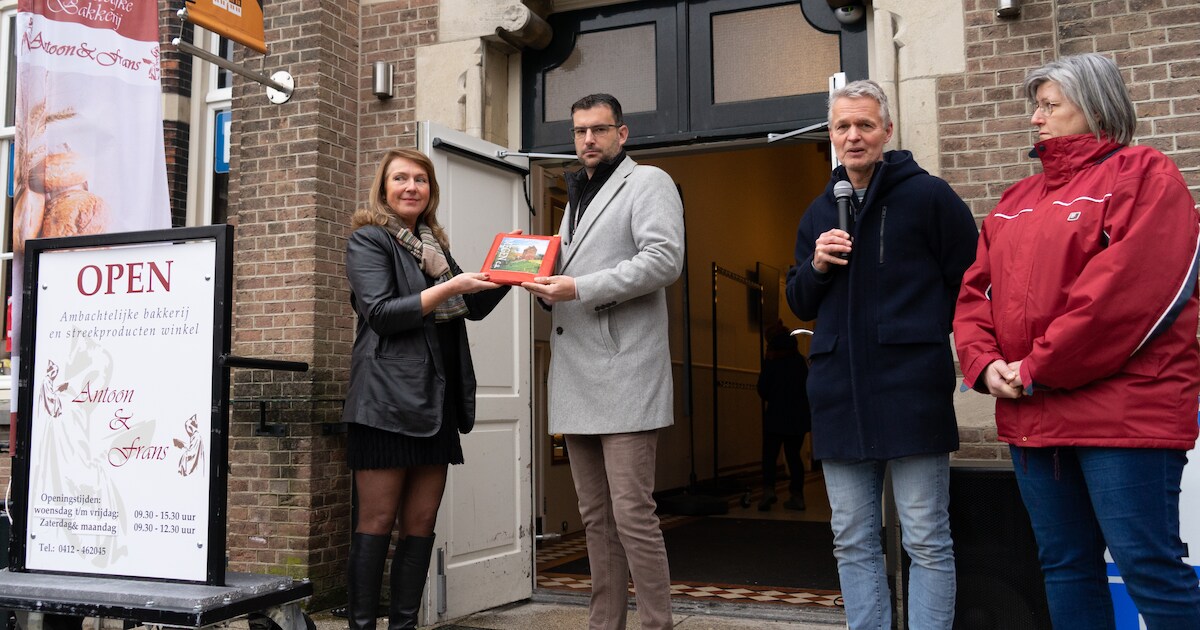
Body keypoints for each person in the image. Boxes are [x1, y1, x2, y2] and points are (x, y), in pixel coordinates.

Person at [953, 53, 1200, 629]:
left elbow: (1124, 299)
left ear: (1094, 106)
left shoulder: (1146, 175)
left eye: (1049, 106)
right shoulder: (1015, 201)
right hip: (1035, 413)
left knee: (1150, 569)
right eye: (1034, 106)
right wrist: (984, 365)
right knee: (1064, 566)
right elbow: (975, 294)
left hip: (1124, 415)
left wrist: (1034, 366)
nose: (1035, 119)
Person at [785, 79, 978, 629]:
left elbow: (971, 285)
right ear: (831, 135)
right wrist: (816, 266)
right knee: (851, 539)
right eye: (843, 126)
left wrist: (920, 337)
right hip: (839, 394)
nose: (853, 136)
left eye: (865, 125)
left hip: (911, 391)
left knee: (925, 537)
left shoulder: (930, 197)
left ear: (887, 131)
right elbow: (798, 303)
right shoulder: (818, 212)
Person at [521, 93, 684, 630]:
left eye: (598, 129)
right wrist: (544, 284)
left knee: (633, 515)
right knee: (595, 519)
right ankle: (603, 624)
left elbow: (663, 260)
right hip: (575, 375)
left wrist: (579, 286)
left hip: (625, 373)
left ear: (622, 132)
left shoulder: (648, 182)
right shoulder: (575, 197)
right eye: (579, 132)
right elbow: (574, 270)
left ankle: (657, 623)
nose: (587, 140)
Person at [342, 148, 510, 630]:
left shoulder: (433, 245)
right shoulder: (368, 240)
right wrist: (448, 286)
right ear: (384, 187)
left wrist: (508, 272)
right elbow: (382, 314)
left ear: (430, 190)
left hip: (434, 404)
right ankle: (361, 627)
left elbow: (471, 308)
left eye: (421, 179)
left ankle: (403, 625)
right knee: (376, 525)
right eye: (401, 178)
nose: (411, 186)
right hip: (384, 403)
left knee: (419, 526)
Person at [756, 321, 811, 511]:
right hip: (798, 417)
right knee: (794, 456)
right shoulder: (800, 361)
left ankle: (769, 491)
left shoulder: (771, 360)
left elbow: (762, 389)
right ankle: (797, 495)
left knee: (770, 456)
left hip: (776, 415)